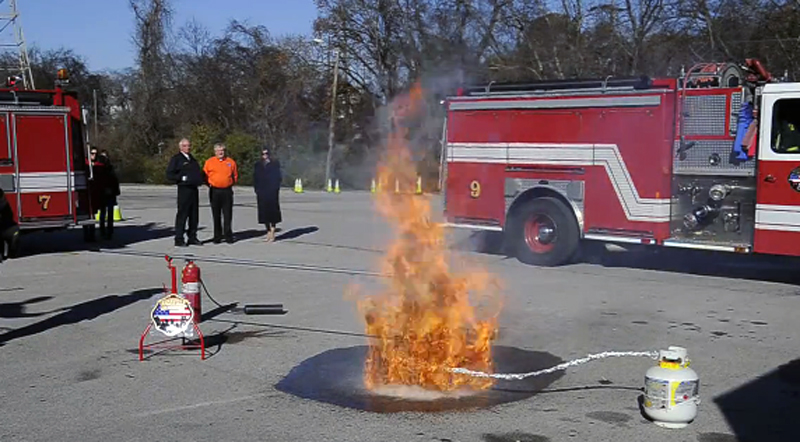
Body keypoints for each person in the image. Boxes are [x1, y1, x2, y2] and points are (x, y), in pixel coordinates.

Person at [166, 138, 204, 247]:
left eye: (189, 145)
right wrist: (181, 178)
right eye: (186, 146)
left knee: (194, 215)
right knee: (183, 214)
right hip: (184, 190)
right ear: (181, 147)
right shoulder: (176, 159)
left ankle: (192, 236)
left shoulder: (192, 159)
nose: (188, 147)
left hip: (194, 189)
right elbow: (170, 174)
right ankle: (179, 238)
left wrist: (200, 180)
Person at [203, 143, 238, 244]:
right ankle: (217, 236)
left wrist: (230, 183)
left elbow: (235, 176)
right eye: (218, 150)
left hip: (227, 191)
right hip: (214, 191)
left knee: (227, 214)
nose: (220, 152)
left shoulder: (231, 162)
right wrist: (209, 184)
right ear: (215, 152)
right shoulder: (209, 162)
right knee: (216, 214)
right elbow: (204, 175)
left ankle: (228, 235)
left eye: (222, 150)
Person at [253, 147, 282, 242]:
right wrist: (256, 189)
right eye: (263, 154)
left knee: (272, 212)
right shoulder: (258, 165)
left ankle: (273, 231)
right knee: (263, 212)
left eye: (266, 154)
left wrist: (275, 188)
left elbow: (278, 177)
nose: (265, 156)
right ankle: (268, 230)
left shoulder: (275, 164)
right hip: (261, 191)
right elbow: (255, 177)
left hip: (272, 191)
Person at [94, 151, 121, 240]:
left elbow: (115, 180)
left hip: (110, 193)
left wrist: (116, 191)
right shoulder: (99, 168)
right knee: (103, 212)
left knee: (110, 213)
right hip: (103, 193)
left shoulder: (110, 168)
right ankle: (102, 230)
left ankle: (109, 230)